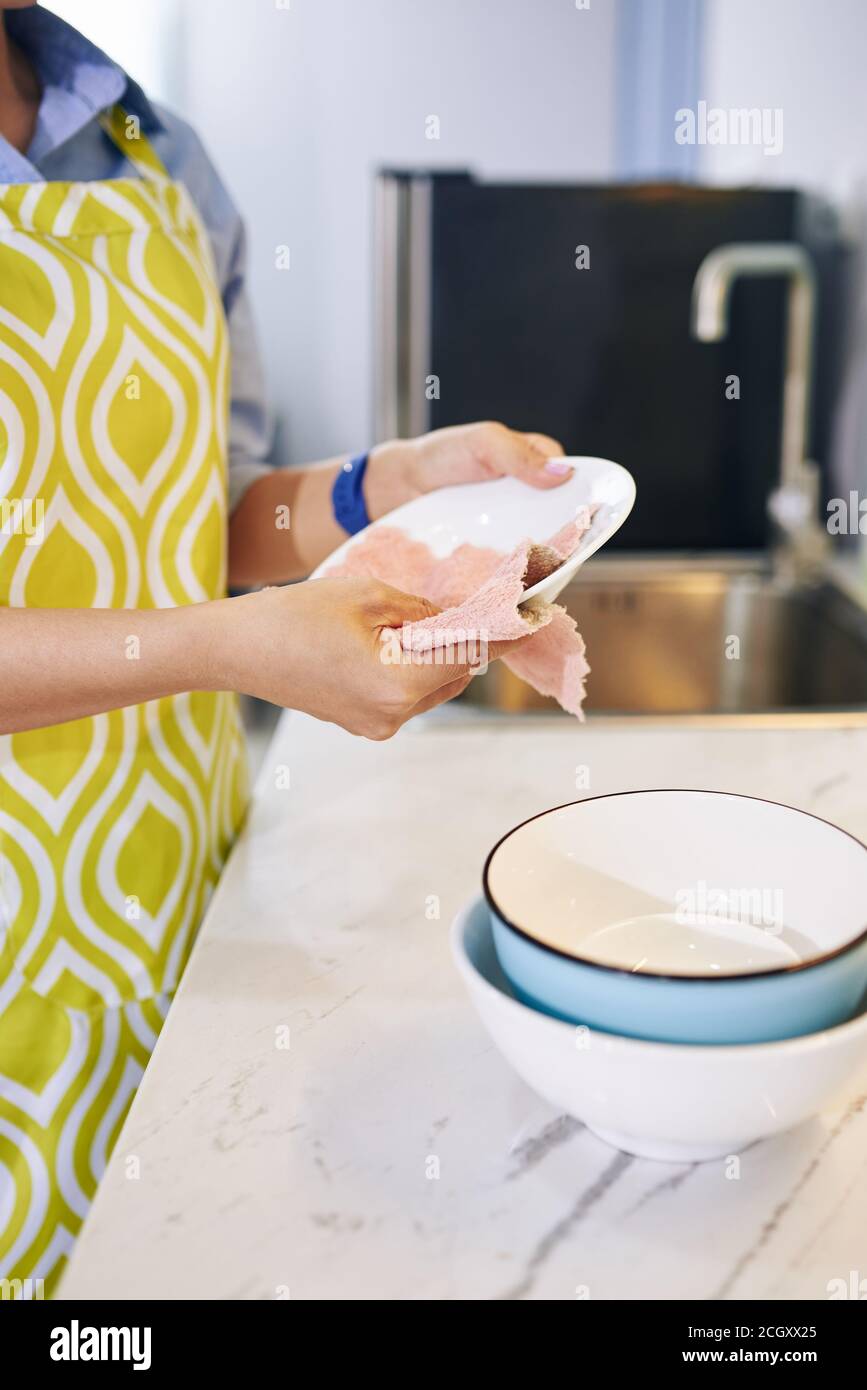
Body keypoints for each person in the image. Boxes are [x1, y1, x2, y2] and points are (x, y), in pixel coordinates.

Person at [0, 3, 569, 1294]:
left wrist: (390, 484)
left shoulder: (153, 151)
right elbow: (209, 613)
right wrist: (226, 647)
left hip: (178, 906)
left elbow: (199, 515)